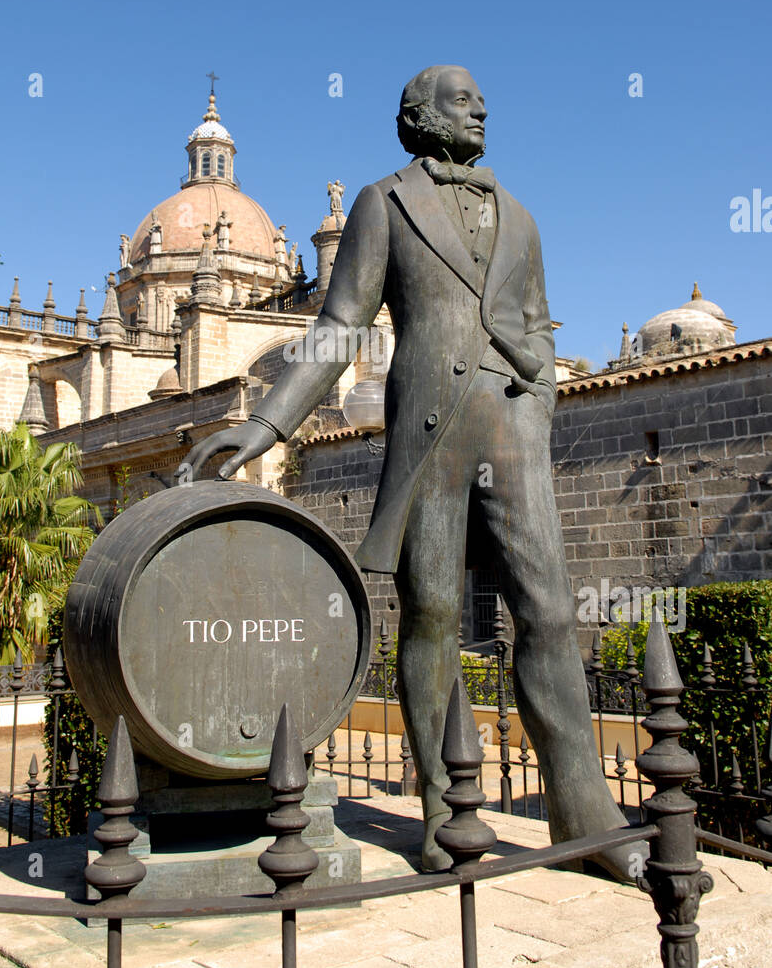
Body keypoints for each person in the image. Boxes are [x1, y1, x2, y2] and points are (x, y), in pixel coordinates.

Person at [186, 65, 644, 879]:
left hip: (511, 428)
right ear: (420, 117)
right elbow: (339, 323)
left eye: (481, 101)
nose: (483, 111)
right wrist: (265, 423)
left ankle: (586, 817)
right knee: (431, 614)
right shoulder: (383, 203)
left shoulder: (521, 217)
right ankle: (445, 811)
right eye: (466, 102)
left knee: (548, 614)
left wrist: (536, 397)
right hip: (428, 432)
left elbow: (536, 324)